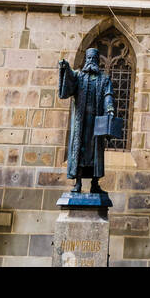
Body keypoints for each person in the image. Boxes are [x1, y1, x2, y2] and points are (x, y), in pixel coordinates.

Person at [58, 47, 116, 192]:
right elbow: (69, 81)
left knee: (95, 152)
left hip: (96, 122)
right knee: (79, 151)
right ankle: (77, 183)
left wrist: (109, 109)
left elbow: (108, 95)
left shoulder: (104, 79)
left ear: (97, 61)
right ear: (86, 60)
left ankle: (95, 184)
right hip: (80, 122)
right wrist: (65, 68)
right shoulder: (79, 77)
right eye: (88, 59)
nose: (91, 61)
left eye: (93, 59)